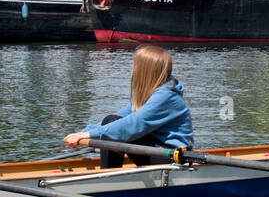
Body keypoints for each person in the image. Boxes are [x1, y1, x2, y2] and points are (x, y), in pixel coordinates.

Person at [64, 45, 194, 168]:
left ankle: (108, 178)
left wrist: (90, 134)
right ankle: (110, 174)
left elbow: (131, 124)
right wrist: (84, 133)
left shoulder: (166, 97)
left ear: (144, 70)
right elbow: (121, 117)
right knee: (111, 120)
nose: (133, 69)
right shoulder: (151, 93)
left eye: (135, 65)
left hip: (172, 156)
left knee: (114, 126)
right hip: (155, 151)